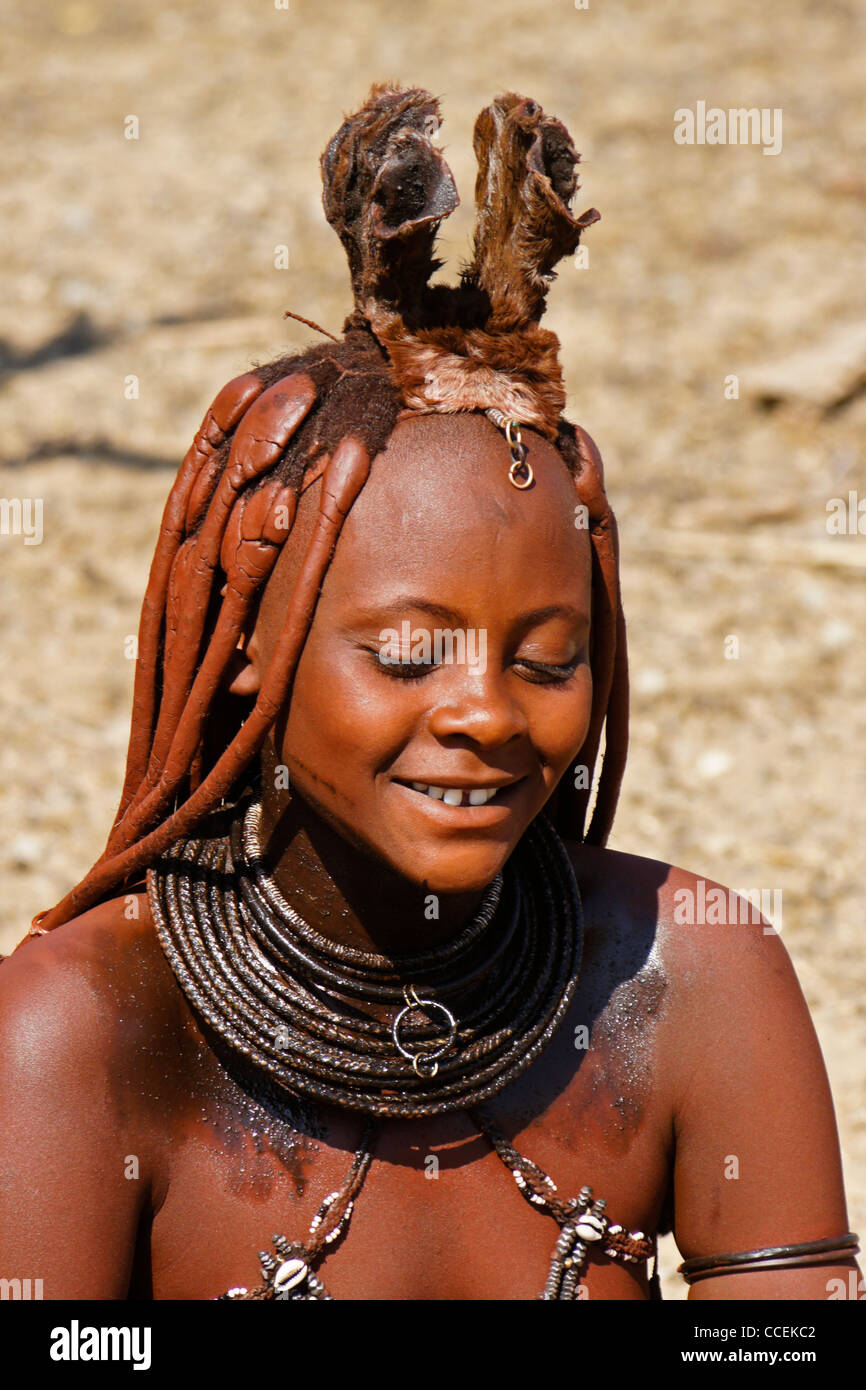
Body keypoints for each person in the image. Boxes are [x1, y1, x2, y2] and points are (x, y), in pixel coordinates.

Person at [0, 82, 858, 1302]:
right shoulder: (85, 1030)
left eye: (548, 659)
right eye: (407, 652)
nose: (486, 713)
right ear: (256, 644)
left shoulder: (682, 978)